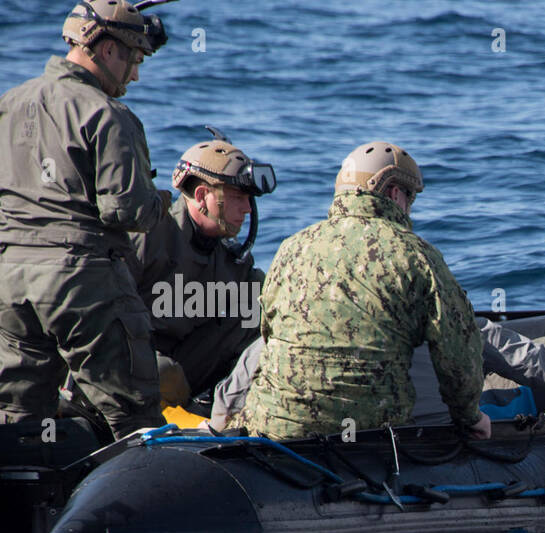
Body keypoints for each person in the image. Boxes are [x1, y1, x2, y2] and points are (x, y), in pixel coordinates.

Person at [0, 0, 177, 439]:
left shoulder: (9, 103)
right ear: (108, 49)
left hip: (9, 279)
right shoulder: (108, 115)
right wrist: (162, 200)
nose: (134, 75)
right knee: (134, 419)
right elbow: (128, 211)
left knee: (17, 421)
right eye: (135, 59)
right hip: (81, 281)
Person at [225, 142, 484, 440]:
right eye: (410, 197)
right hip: (370, 432)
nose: (409, 207)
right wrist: (470, 417)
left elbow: (269, 331)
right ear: (394, 193)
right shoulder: (417, 255)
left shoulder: (291, 247)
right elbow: (457, 353)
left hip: (275, 427)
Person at [210, 316, 545, 431]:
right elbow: (522, 357)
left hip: (301, 436)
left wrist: (220, 424)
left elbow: (260, 353)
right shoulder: (418, 279)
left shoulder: (301, 297)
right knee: (526, 400)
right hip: (423, 432)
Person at [130, 131, 277, 407]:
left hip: (184, 370)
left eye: (249, 199)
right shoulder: (147, 237)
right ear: (201, 195)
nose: (247, 208)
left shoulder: (231, 257)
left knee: (260, 314)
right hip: (130, 368)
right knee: (166, 374)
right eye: (237, 197)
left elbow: (266, 311)